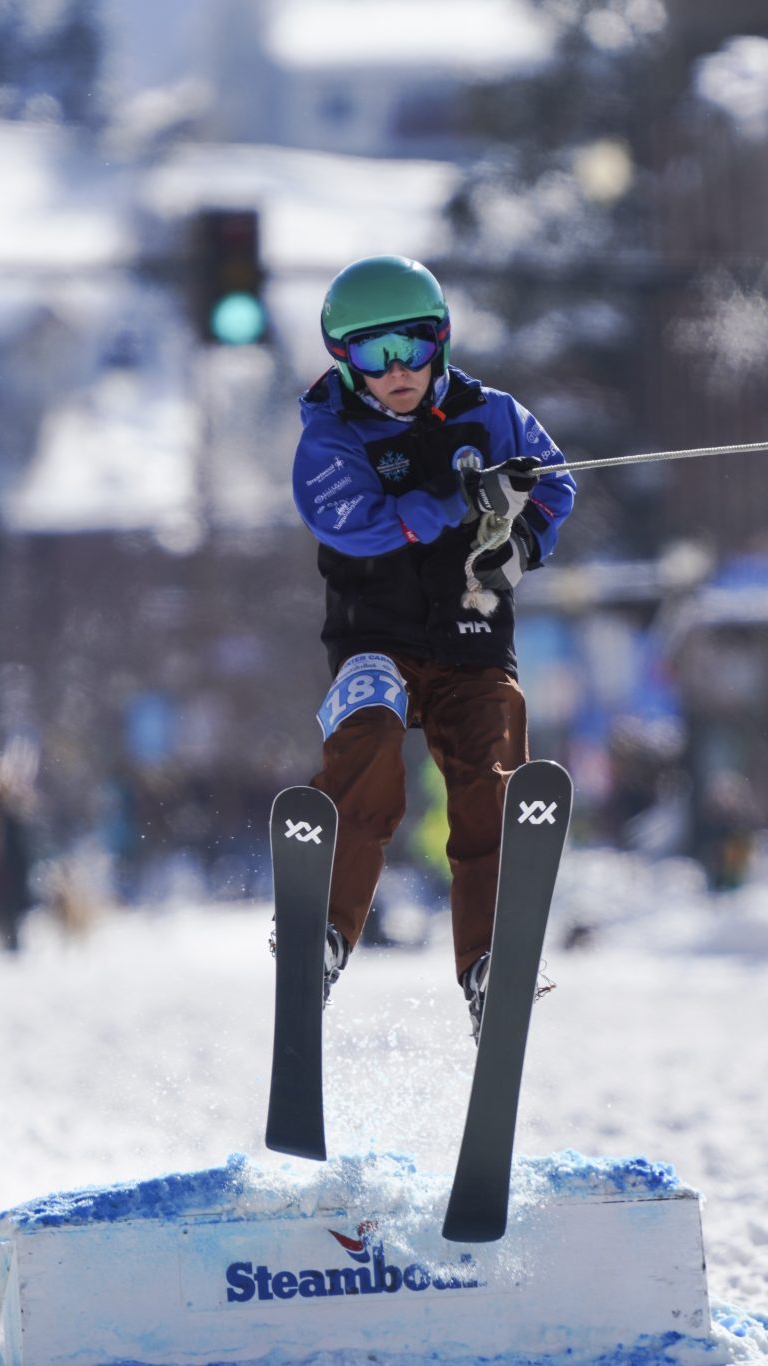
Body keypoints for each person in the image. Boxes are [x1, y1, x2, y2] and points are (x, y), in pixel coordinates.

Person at [291, 254, 576, 1038]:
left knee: (492, 765)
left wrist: (519, 541)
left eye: (412, 346)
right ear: (343, 360)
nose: (396, 370)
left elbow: (557, 484)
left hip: (472, 637)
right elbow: (352, 523)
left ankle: (492, 959)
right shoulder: (331, 435)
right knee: (369, 748)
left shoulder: (495, 417)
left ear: (440, 341)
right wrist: (452, 500)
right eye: (372, 352)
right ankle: (323, 932)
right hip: (374, 638)